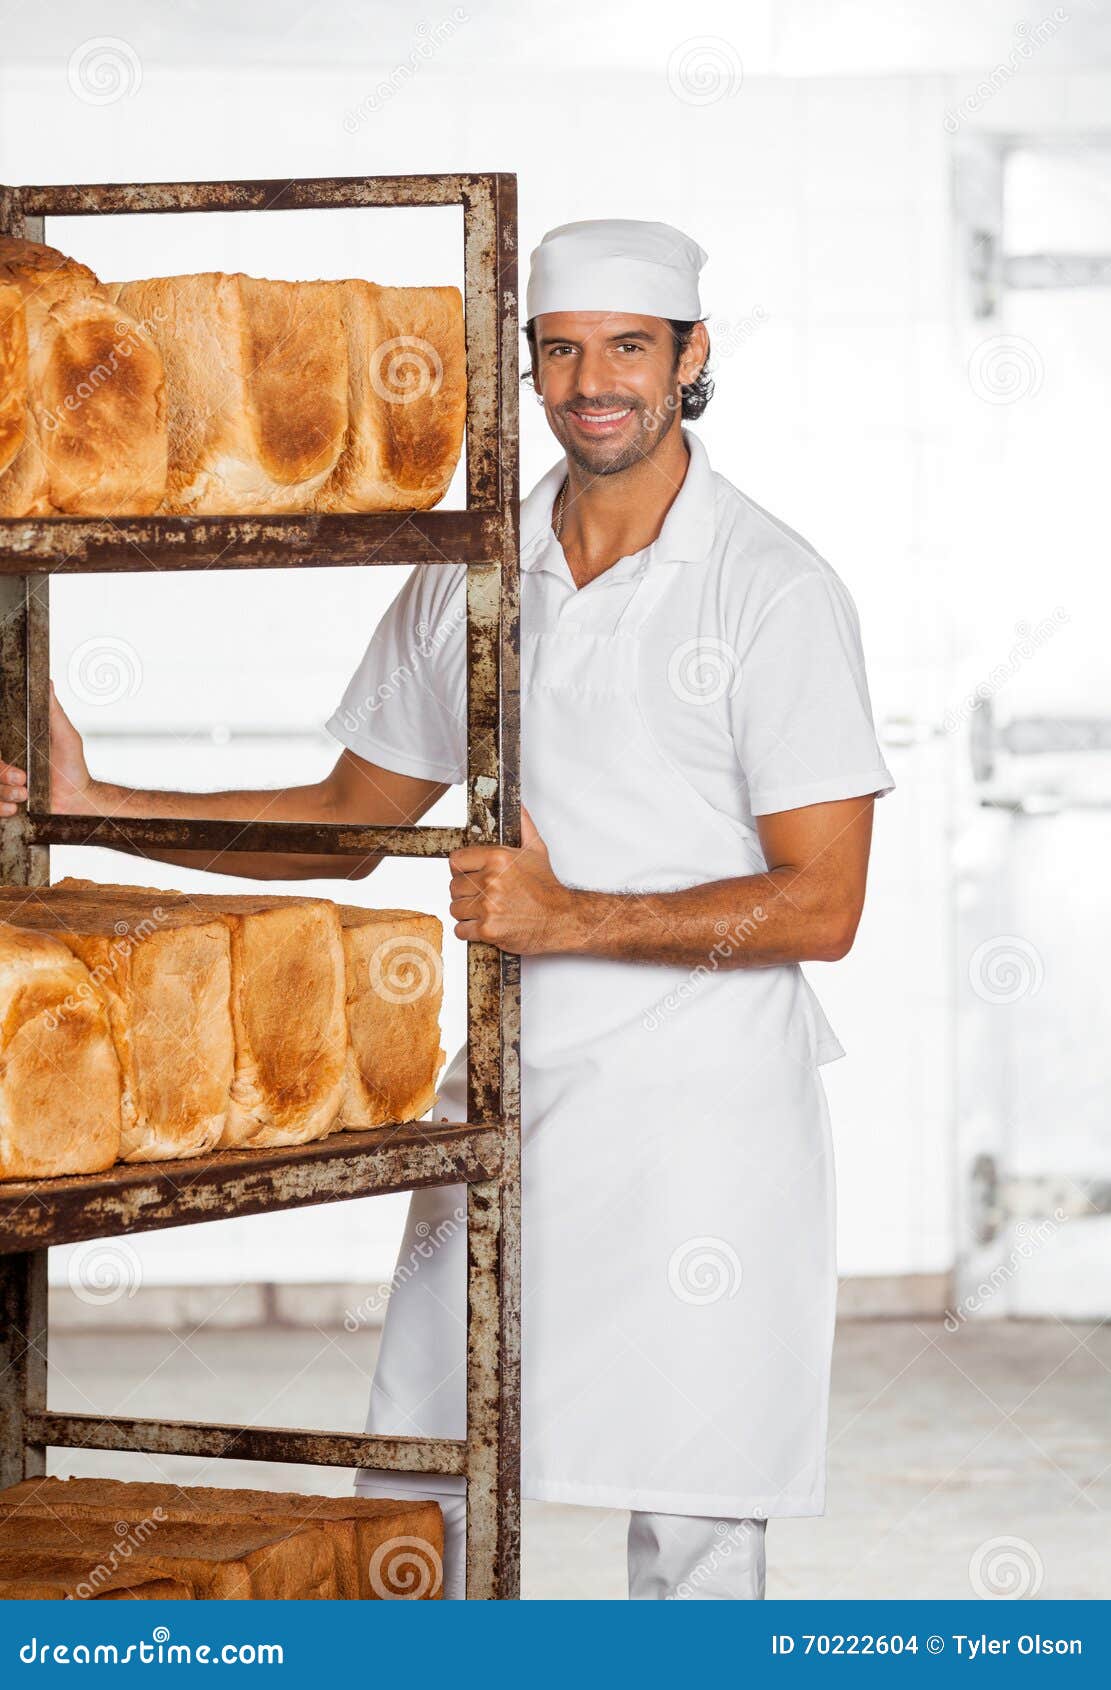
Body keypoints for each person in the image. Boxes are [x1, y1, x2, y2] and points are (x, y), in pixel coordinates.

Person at [0, 218, 894, 1601]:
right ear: (527, 365)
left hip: (708, 1115)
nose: (594, 382)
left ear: (691, 357)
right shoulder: (476, 567)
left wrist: (569, 916)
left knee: (699, 1514)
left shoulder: (770, 588)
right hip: (509, 1093)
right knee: (425, 1476)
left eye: (630, 348)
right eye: (561, 350)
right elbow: (346, 820)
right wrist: (94, 796)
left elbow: (824, 903)